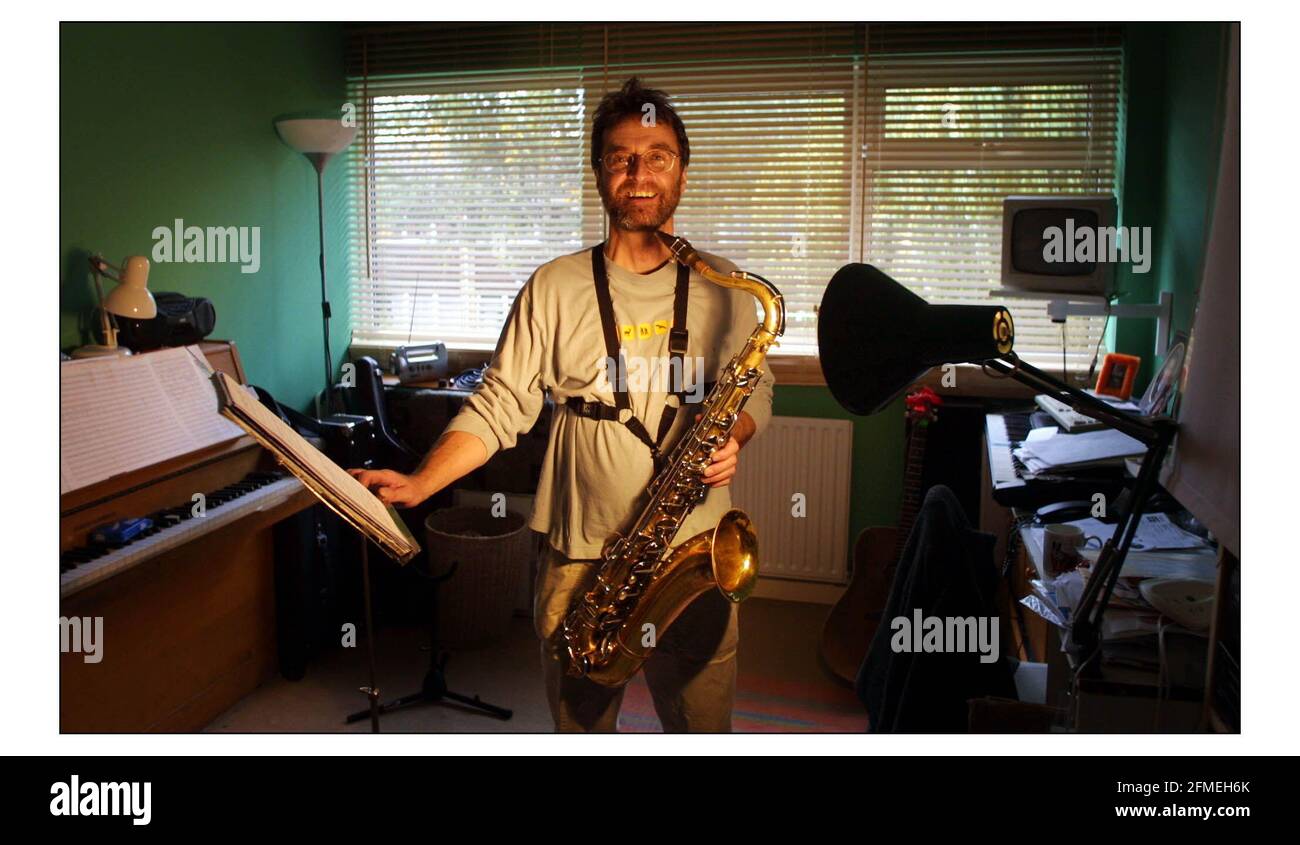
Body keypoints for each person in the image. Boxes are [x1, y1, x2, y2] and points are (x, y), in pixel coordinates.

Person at [352, 77, 775, 732]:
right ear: (601, 174)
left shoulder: (725, 286)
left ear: (682, 174)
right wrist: (420, 481)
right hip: (583, 553)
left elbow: (758, 386)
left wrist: (736, 434)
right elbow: (500, 404)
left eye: (657, 154)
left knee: (702, 727)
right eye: (620, 156)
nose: (639, 173)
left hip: (696, 547)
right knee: (580, 726)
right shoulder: (553, 287)